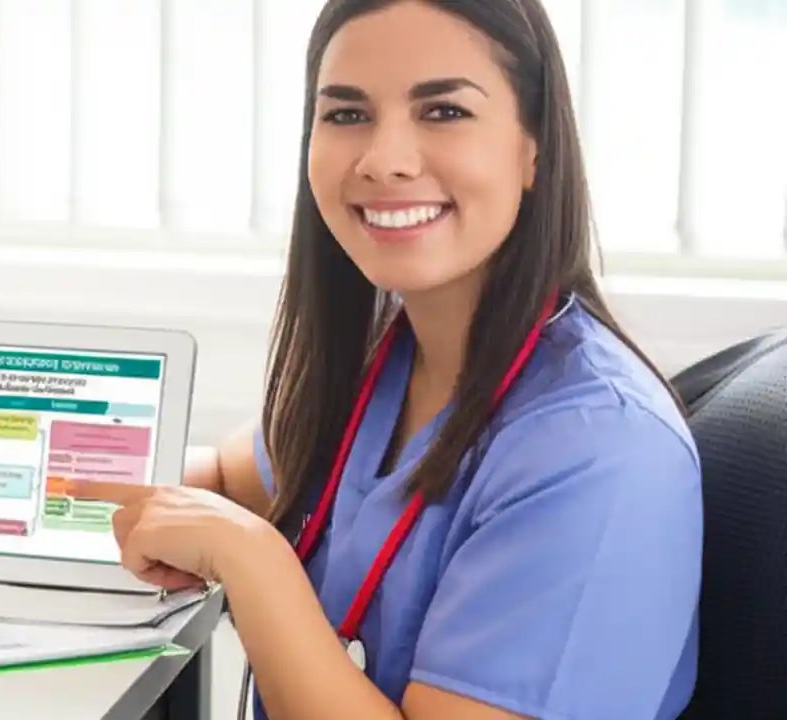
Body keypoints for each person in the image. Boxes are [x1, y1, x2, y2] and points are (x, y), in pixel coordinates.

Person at [67, 0, 703, 718]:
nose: (383, 160)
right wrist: (21, 492)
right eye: (346, 115)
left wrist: (251, 561)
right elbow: (229, 480)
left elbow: (241, 531)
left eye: (443, 112)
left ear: (535, 148)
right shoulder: (395, 355)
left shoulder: (599, 452)